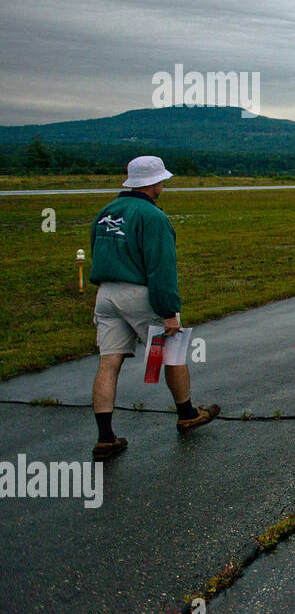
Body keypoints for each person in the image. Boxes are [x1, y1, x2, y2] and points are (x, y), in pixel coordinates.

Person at [88, 156, 219, 461]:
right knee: (171, 350)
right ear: (151, 183)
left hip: (106, 293)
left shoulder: (106, 212)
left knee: (108, 362)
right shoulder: (153, 217)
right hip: (139, 293)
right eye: (161, 180)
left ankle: (105, 437)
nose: (164, 184)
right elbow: (161, 268)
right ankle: (187, 413)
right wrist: (169, 311)